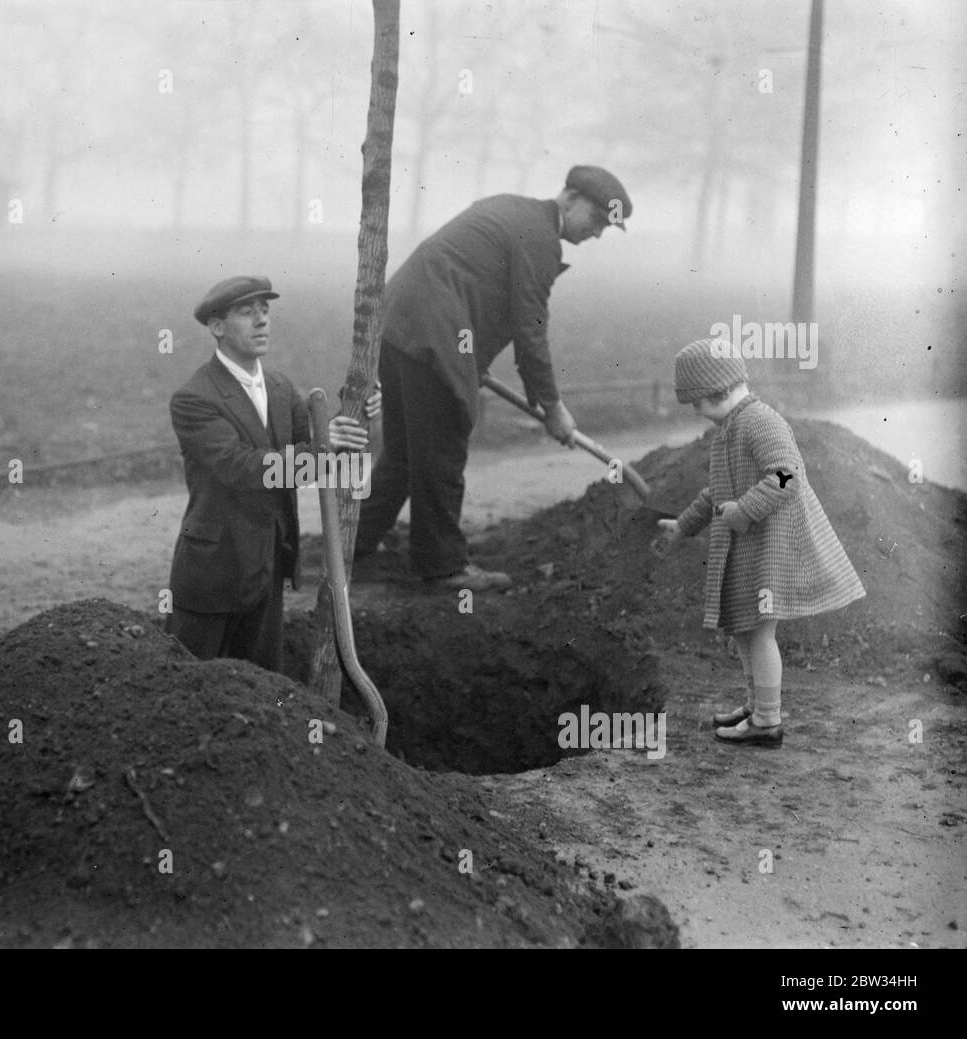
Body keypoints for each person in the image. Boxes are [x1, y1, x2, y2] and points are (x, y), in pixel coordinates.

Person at [354, 165, 632, 591]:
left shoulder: (515, 210)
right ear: (570, 198)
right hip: (432, 334)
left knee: (407, 450)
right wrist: (553, 407)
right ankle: (444, 567)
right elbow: (529, 326)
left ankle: (355, 542)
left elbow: (472, 283)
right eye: (596, 220)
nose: (596, 233)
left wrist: (472, 359)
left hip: (398, 327)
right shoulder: (539, 239)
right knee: (442, 451)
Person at [655, 338, 866, 746]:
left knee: (760, 633)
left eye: (697, 402)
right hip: (746, 551)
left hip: (771, 549)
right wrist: (684, 525)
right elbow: (714, 493)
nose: (696, 411)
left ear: (718, 391)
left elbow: (787, 475)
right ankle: (756, 705)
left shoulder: (760, 422)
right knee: (744, 631)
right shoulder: (729, 430)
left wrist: (744, 510)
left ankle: (768, 720)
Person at [166, 275, 375, 673]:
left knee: (263, 695)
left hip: (268, 570)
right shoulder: (195, 398)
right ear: (217, 327)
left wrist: (353, 421)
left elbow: (310, 461)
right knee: (189, 688)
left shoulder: (280, 388)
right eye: (247, 313)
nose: (261, 320)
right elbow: (242, 468)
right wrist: (322, 447)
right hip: (213, 576)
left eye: (265, 311)